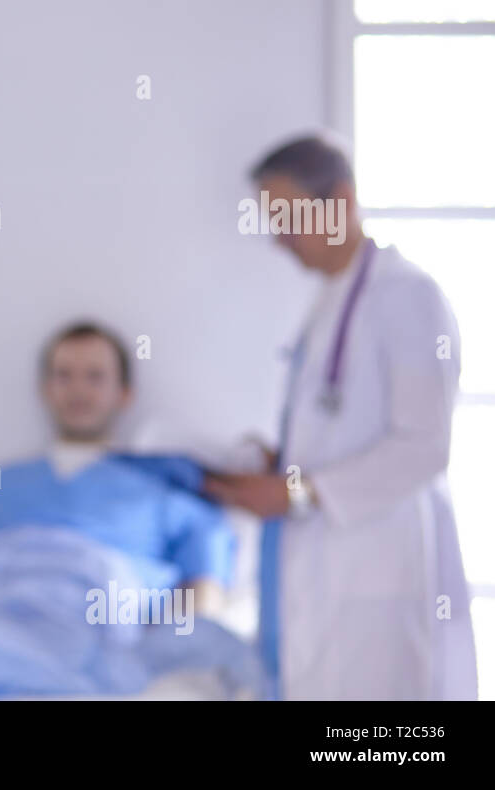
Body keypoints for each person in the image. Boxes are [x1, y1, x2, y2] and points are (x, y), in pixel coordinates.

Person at [203, 133, 477, 700]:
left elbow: (424, 447)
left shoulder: (407, 297)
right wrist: (281, 465)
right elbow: (341, 431)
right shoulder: (332, 301)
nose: (278, 238)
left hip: (376, 562)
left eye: (286, 216)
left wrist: (294, 493)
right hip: (327, 560)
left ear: (341, 200)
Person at [0, 323, 235, 613]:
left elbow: (204, 591)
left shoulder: (164, 487)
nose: (78, 390)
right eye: (64, 376)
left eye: (95, 377)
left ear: (124, 393)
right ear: (46, 390)